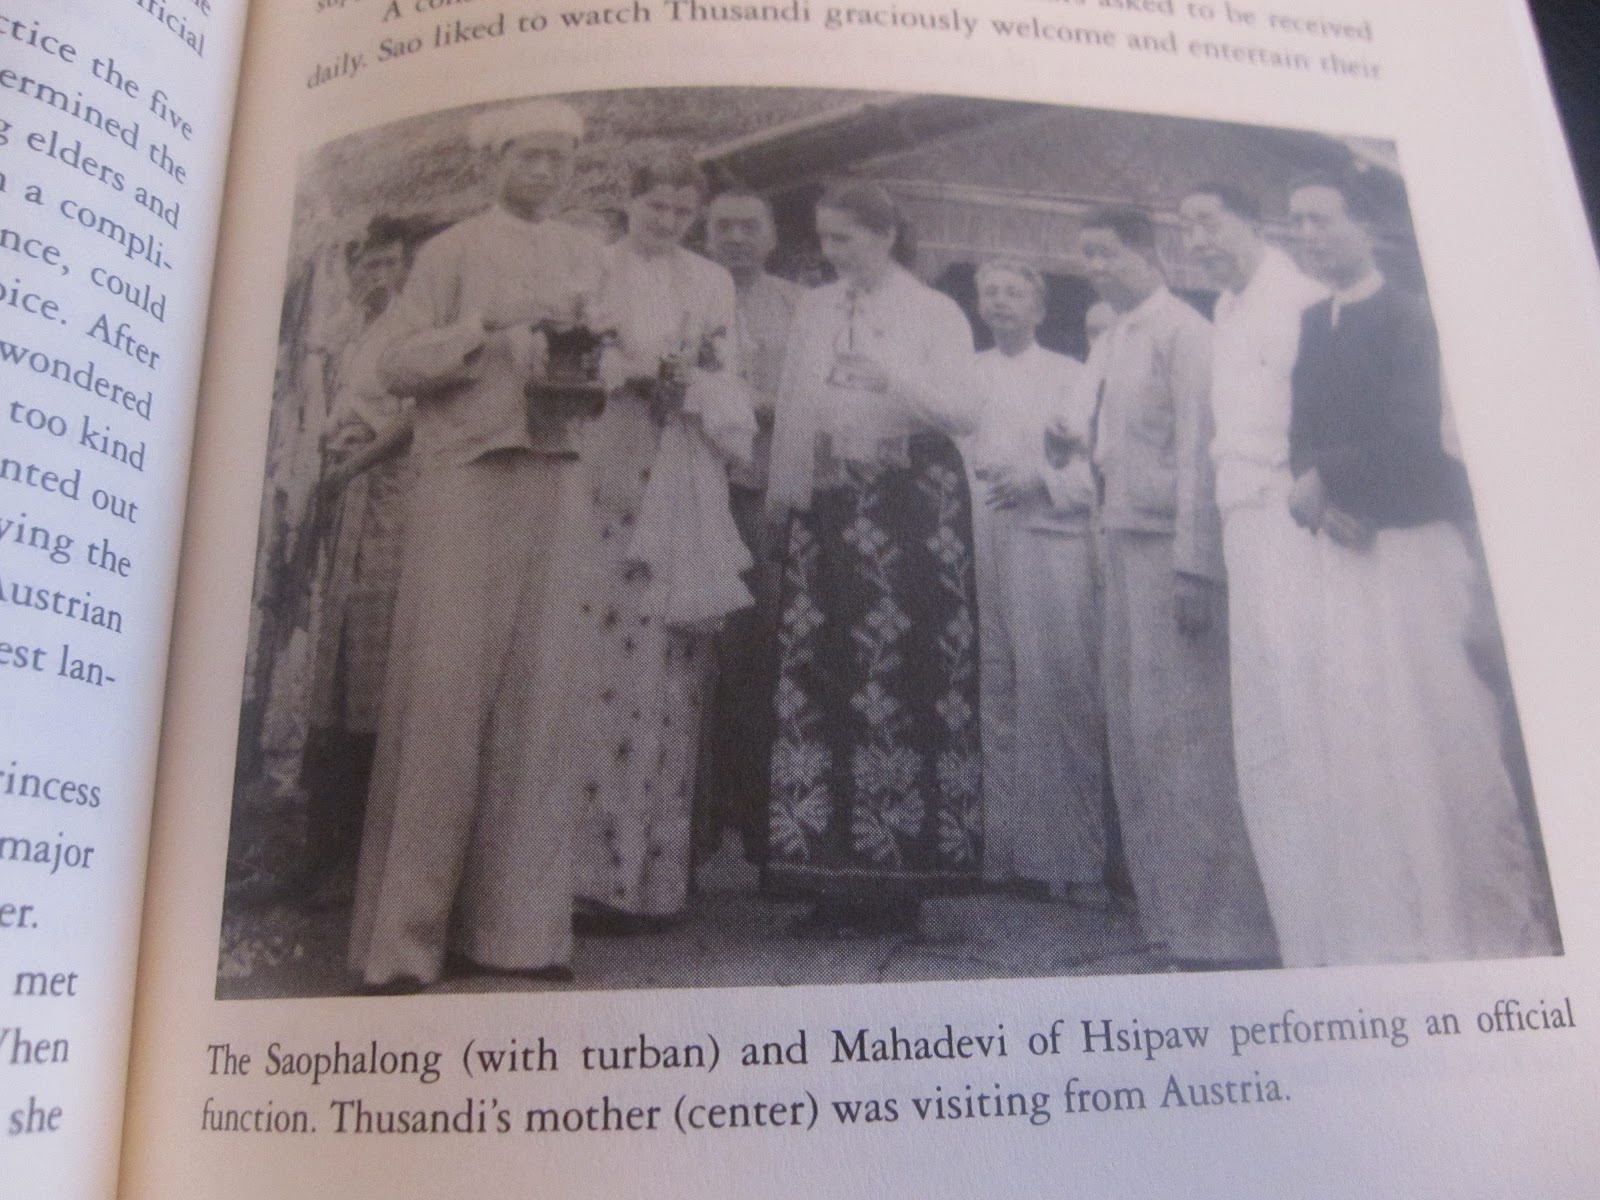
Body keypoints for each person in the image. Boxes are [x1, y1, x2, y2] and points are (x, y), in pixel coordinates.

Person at [347, 99, 607, 990]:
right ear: (493, 161)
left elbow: (615, 352)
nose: (543, 174)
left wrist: (596, 352)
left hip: (556, 469)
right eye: (528, 157)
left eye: (556, 160)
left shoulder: (584, 253)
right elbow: (391, 362)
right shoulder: (452, 250)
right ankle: (405, 943)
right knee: (448, 696)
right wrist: (489, 333)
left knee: (539, 700)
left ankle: (520, 932)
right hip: (467, 473)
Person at [1276, 171, 1552, 965]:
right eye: (1297, 224)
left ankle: (1479, 927)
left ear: (1367, 227)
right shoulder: (1312, 321)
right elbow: (1302, 433)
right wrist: (1322, 499)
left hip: (1413, 552)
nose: (1309, 236)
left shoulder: (1410, 319)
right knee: (1365, 738)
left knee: (1443, 734)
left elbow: (1415, 441)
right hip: (1346, 550)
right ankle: (1394, 930)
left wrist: (1330, 479)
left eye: (1322, 221)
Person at [533, 150, 756, 933]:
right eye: (654, 206)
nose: (666, 222)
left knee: (666, 667)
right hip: (606, 467)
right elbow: (568, 361)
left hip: (681, 471)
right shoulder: (594, 269)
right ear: (629, 200)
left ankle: (653, 880)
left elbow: (731, 380)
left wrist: (692, 387)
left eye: (679, 212)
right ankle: (581, 876)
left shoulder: (711, 283)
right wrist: (628, 371)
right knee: (592, 661)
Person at [765, 182, 983, 936]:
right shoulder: (818, 308)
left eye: (847, 240)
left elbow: (965, 411)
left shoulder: (933, 311)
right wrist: (784, 505)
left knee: (904, 672)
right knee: (824, 672)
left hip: (912, 505)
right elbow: (795, 404)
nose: (834, 255)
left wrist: (892, 375)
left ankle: (903, 879)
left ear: (886, 236)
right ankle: (826, 874)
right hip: (829, 505)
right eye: (826, 240)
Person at [1064, 207, 1276, 969]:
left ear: (1149, 254)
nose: (1094, 265)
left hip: (1168, 551)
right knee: (1136, 733)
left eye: (1105, 249)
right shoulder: (1116, 336)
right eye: (1085, 254)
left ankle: (1225, 926)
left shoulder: (1187, 332)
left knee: (1186, 737)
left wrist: (1196, 563)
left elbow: (1198, 451)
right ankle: (1165, 916)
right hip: (1120, 541)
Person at [1176, 181, 1330, 947]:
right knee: (1261, 720)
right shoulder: (1224, 311)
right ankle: (1291, 926)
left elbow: (1329, 411)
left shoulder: (1300, 296)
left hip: (1295, 520)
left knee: (1305, 708)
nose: (1198, 240)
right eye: (1186, 229)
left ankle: (1330, 919)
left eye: (1210, 222)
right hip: (1243, 519)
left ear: (1253, 220)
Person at [964, 257, 1108, 906]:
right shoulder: (965, 374)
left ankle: (1070, 859)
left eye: (1014, 293)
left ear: (1040, 308)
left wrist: (1040, 481)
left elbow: (1094, 469)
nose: (1000, 303)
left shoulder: (1071, 376)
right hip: (977, 538)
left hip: (1050, 540)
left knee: (1056, 687)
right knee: (993, 686)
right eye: (990, 292)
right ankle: (1002, 855)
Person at [297, 217, 421, 906]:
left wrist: (356, 465)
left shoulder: (410, 326)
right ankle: (324, 851)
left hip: (389, 497)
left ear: (405, 266)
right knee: (336, 667)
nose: (378, 278)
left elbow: (412, 421)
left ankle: (365, 863)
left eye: (389, 264)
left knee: (374, 672)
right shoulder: (355, 332)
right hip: (346, 490)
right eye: (367, 266)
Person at [694, 190, 803, 867]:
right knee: (696, 655)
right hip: (697, 488)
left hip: (766, 498)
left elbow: (807, 401)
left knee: (762, 659)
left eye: (749, 226)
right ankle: (693, 836)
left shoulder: (800, 306)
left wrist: (734, 403)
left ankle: (768, 839)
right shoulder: (696, 293)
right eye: (723, 227)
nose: (736, 238)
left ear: (771, 236)